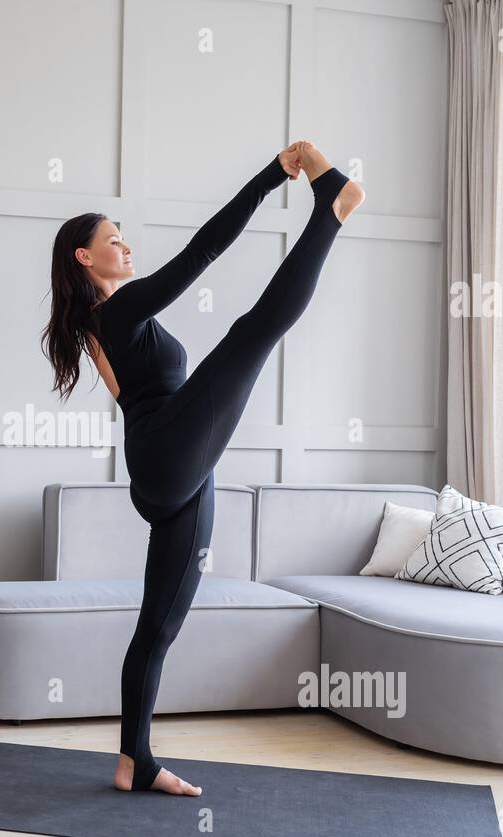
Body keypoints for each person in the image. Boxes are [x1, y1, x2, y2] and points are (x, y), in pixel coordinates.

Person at [42, 141, 363, 794]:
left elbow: (201, 257)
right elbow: (204, 251)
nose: (126, 248)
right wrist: (272, 175)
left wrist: (272, 177)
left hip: (171, 473)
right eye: (114, 240)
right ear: (85, 256)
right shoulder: (116, 313)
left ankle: (136, 760)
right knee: (252, 331)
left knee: (158, 628)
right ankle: (329, 210)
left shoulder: (106, 321)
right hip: (165, 455)